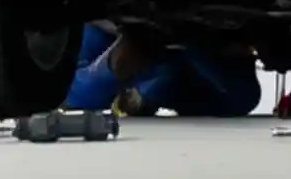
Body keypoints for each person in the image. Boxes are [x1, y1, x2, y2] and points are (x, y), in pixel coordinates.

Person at [64, 24, 261, 117]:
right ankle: (123, 73)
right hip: (189, 59)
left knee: (75, 94)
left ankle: (121, 70)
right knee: (244, 98)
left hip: (174, 59)